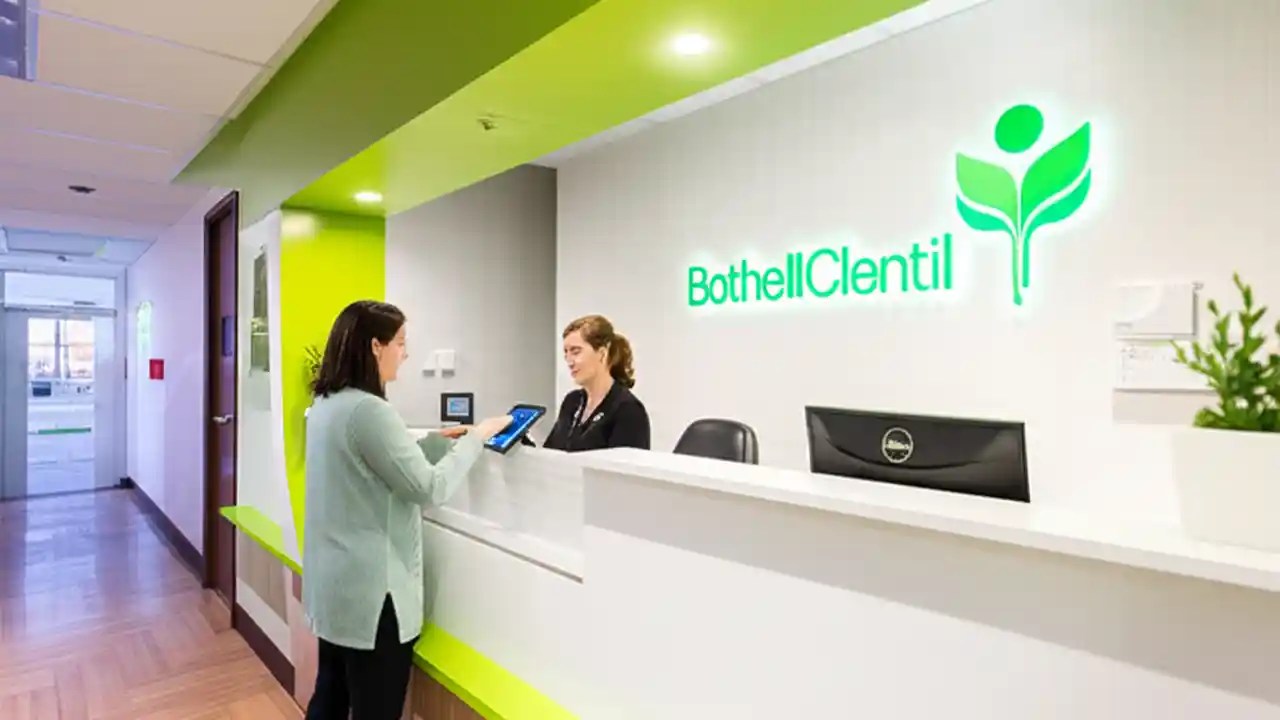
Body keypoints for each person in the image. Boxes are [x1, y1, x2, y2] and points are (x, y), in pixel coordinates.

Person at [302, 300, 511, 720]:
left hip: (334, 589)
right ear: (375, 347)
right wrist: (478, 437)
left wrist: (435, 441)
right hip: (373, 599)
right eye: (400, 343)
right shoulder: (370, 410)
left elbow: (372, 467)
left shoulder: (327, 404)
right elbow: (429, 488)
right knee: (374, 709)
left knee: (330, 696)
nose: (406, 353)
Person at [544, 314, 651, 452]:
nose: (569, 362)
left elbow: (626, 470)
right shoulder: (572, 402)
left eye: (576, 352)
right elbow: (550, 455)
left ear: (602, 354)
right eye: (566, 353)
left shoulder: (628, 410)